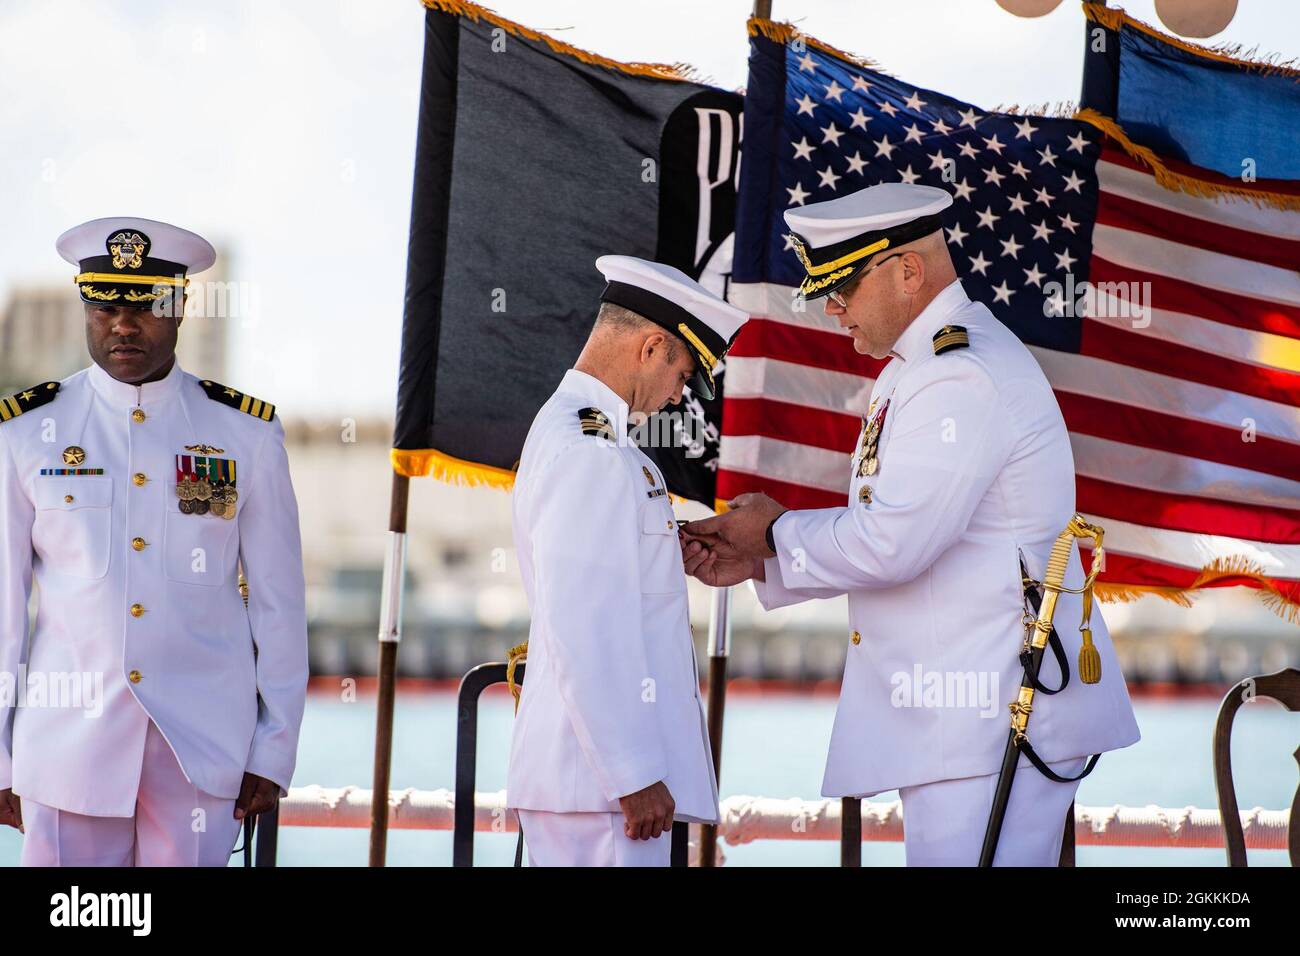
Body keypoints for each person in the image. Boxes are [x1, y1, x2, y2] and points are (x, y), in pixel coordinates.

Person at [681, 183, 1139, 866]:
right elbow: (894, 535)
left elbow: (894, 543)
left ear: (906, 271)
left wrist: (773, 535)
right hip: (965, 718)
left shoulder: (959, 374)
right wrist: (762, 559)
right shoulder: (917, 370)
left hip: (989, 720)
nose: (831, 308)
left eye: (841, 288)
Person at [0, 217, 308, 866]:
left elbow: (280, 606)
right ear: (85, 306)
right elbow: (3, 609)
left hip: (201, 757)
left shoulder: (245, 434)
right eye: (105, 305)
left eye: (146, 306)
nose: (124, 324)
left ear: (181, 307)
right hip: (65, 756)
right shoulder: (28, 431)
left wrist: (273, 750)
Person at [506, 255, 748, 866]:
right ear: (650, 348)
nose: (677, 396)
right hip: (599, 792)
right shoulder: (591, 451)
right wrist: (632, 773)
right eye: (683, 374)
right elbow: (583, 624)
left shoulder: (595, 441)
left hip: (591, 787)